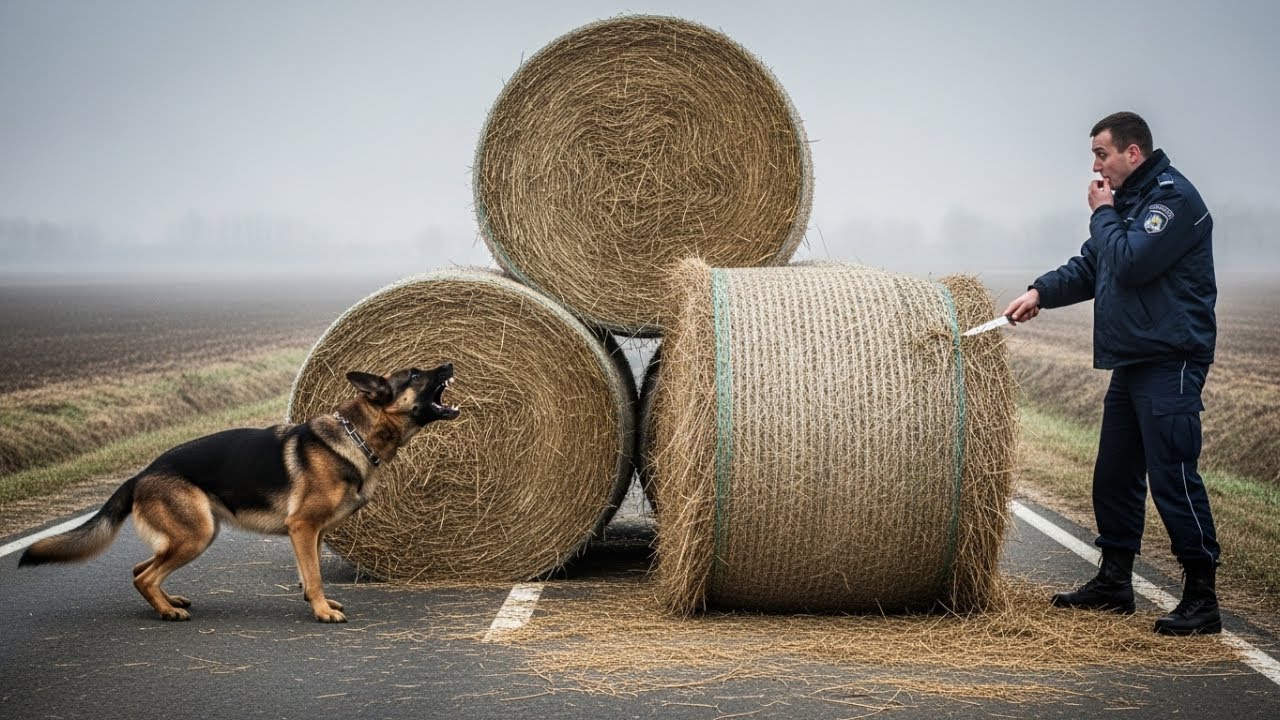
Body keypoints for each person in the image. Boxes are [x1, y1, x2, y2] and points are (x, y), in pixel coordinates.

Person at [1003, 111, 1221, 636]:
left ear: (1132, 153)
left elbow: (1130, 264)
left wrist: (1102, 212)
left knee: (1172, 475)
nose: (1096, 167)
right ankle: (1114, 582)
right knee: (1115, 474)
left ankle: (1202, 597)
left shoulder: (1172, 201)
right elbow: (1094, 266)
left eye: (1102, 155)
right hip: (1135, 359)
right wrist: (1040, 292)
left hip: (1171, 358)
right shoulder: (1129, 202)